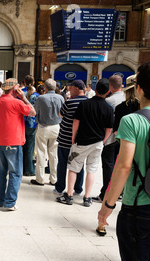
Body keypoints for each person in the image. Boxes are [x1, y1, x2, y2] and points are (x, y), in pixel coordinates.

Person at [97, 61, 150, 261]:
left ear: (138, 88)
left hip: (139, 207)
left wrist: (106, 207)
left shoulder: (133, 121)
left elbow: (124, 166)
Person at [57, 78, 114, 207]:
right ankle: (87, 198)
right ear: (107, 92)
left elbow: (76, 122)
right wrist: (103, 141)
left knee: (73, 168)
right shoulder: (108, 108)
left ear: (95, 89)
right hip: (97, 143)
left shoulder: (85, 104)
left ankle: (69, 195)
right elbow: (109, 129)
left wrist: (73, 138)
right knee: (91, 170)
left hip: (81, 141)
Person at [0, 78, 35, 211]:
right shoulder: (17, 102)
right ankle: (10, 203)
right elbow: (33, 112)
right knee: (15, 173)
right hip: (14, 142)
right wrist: (24, 98)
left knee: (1, 173)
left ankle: (1, 200)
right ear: (15, 89)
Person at [93, 75, 126, 203]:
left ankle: (105, 193)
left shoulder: (109, 101)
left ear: (110, 86)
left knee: (108, 166)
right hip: (124, 139)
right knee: (121, 165)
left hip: (110, 138)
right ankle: (120, 191)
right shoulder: (126, 98)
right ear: (122, 84)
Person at [54, 80, 88, 196]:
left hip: (65, 138)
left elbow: (60, 114)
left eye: (71, 88)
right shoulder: (88, 102)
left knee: (62, 164)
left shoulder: (70, 102)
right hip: (81, 140)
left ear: (77, 89)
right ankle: (78, 188)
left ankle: (60, 187)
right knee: (79, 164)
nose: (69, 90)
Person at [31, 78, 64, 186]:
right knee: (54, 154)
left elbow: (35, 112)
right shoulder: (60, 98)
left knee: (41, 153)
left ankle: (40, 179)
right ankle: (54, 179)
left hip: (43, 127)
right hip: (56, 127)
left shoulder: (41, 98)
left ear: (45, 87)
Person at [23, 79, 42, 176]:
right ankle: (29, 169)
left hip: (21, 124)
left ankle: (21, 168)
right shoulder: (37, 96)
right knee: (30, 148)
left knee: (22, 147)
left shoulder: (21, 93)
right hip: (32, 124)